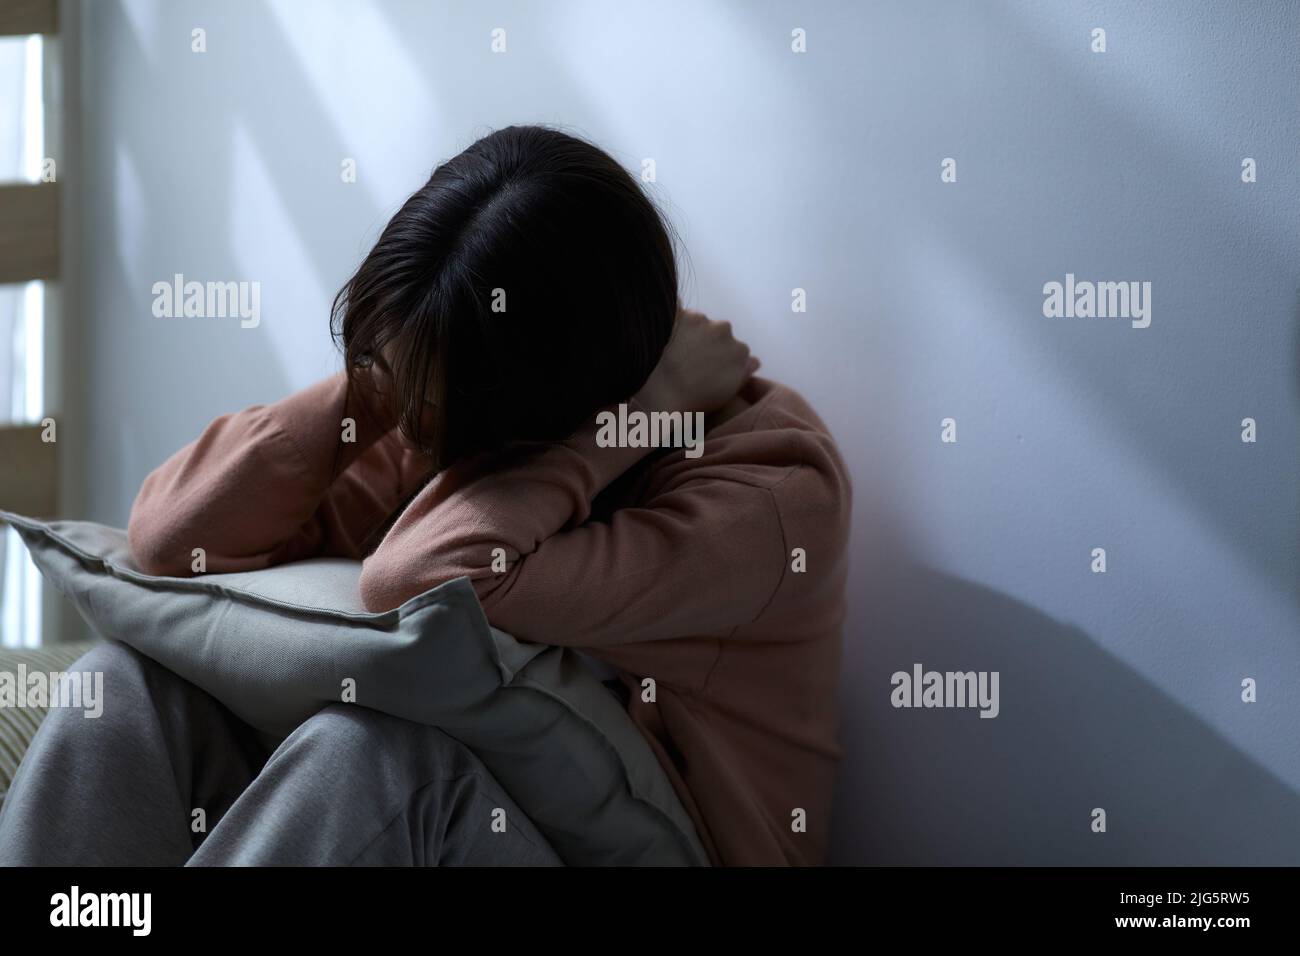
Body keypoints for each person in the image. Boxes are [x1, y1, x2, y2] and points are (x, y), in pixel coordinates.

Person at [0, 126, 851, 866]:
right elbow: (172, 538)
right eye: (397, 390)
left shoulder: (768, 496)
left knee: (373, 758)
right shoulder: (459, 398)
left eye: (423, 405)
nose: (409, 428)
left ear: (537, 413)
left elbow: (419, 579)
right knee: (124, 685)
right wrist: (367, 386)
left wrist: (642, 417)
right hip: (505, 811)